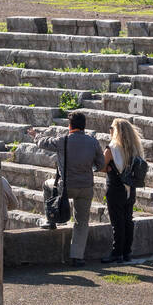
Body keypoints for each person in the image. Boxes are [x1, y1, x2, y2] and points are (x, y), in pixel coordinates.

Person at [29, 112, 104, 267]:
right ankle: (77, 257)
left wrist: (36, 135)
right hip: (86, 187)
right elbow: (101, 164)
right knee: (81, 221)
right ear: (84, 126)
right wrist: (89, 168)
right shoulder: (93, 142)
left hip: (65, 188)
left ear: (70, 126)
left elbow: (44, 142)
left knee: (47, 184)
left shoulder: (63, 140)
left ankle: (50, 219)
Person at [102, 118, 144, 264]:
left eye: (111, 128)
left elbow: (101, 166)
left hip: (115, 188)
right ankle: (127, 252)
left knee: (117, 221)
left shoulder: (112, 148)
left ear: (116, 131)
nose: (110, 130)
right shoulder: (135, 148)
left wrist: (108, 168)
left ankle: (116, 253)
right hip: (130, 188)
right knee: (127, 220)